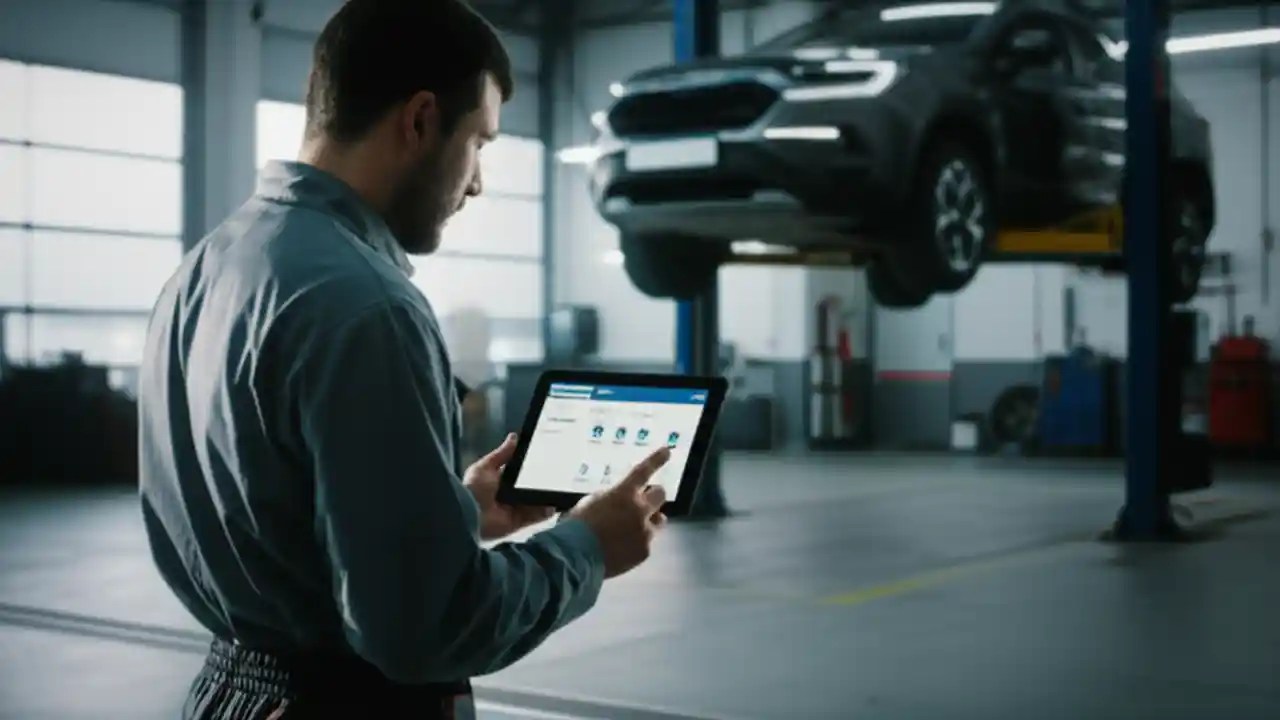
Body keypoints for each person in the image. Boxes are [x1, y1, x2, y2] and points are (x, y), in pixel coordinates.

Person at [136, 1, 670, 717]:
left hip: (231, 695)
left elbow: (275, 523)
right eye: (479, 142)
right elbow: (424, 630)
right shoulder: (369, 306)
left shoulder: (206, 268)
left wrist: (453, 514)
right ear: (420, 121)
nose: (477, 182)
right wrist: (589, 547)